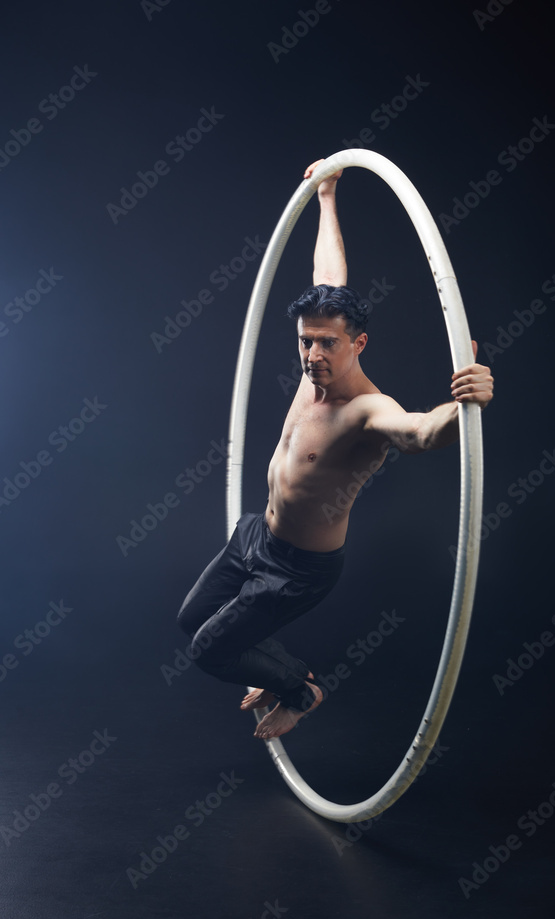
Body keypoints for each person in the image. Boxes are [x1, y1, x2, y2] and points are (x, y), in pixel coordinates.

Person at [177, 159, 494, 740]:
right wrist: (326, 194)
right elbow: (329, 271)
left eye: (327, 343)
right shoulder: (309, 375)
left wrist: (466, 402)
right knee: (190, 618)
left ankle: (300, 688)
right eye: (305, 341)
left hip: (297, 570)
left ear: (358, 342)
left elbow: (420, 433)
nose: (313, 354)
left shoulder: (367, 411)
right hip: (255, 535)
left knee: (207, 651)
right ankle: (268, 667)